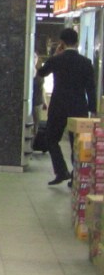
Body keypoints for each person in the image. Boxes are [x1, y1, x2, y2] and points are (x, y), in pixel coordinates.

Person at [36, 28, 96, 186]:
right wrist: (93, 109)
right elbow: (91, 88)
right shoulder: (86, 62)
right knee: (77, 142)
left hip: (58, 106)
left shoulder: (57, 60)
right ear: (76, 43)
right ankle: (76, 176)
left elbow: (41, 72)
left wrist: (54, 55)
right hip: (79, 108)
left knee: (51, 138)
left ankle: (61, 171)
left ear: (61, 42)